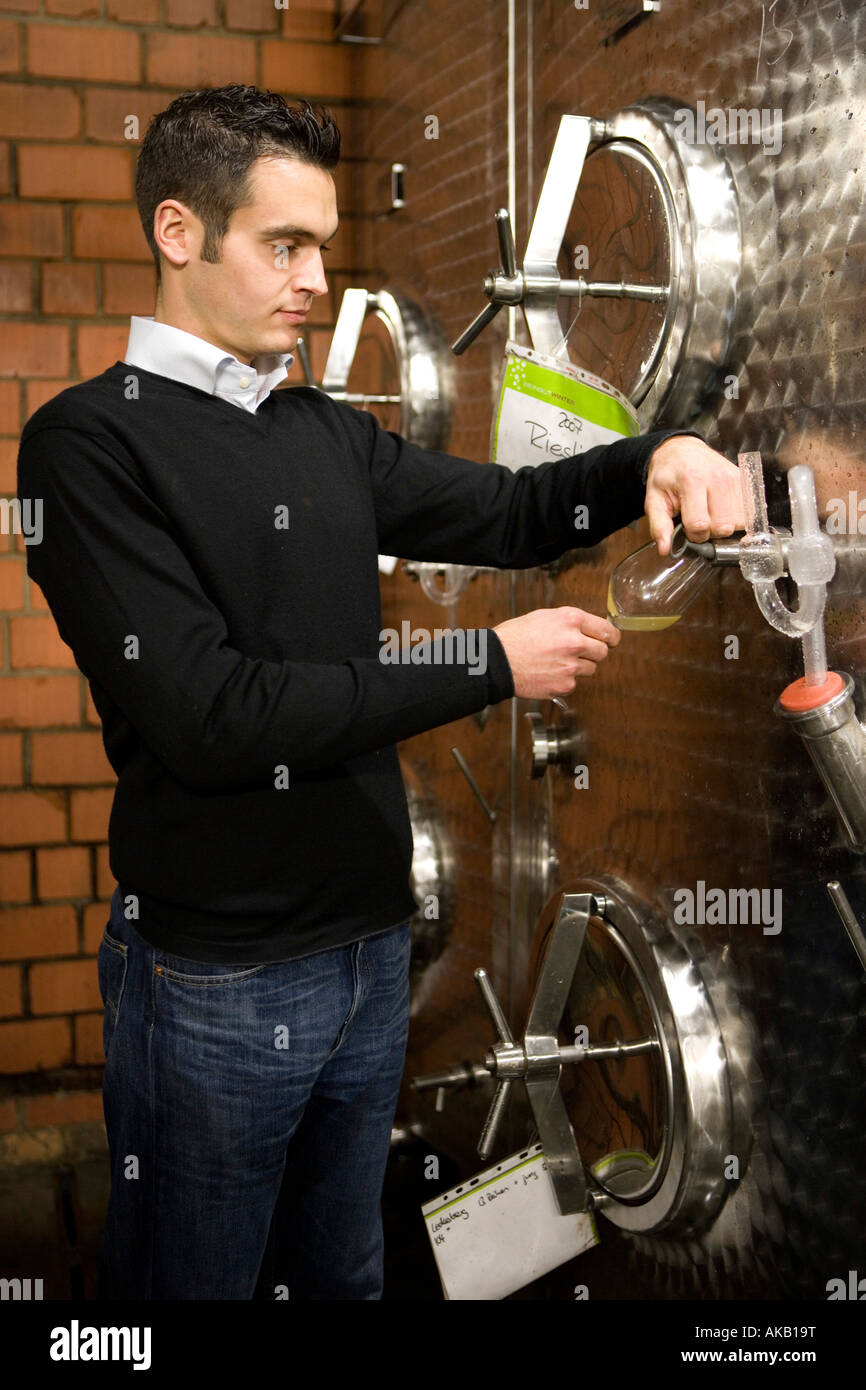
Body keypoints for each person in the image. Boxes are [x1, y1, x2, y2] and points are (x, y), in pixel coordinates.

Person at [16, 85, 744, 1301]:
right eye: (283, 245)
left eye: (323, 245)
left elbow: (511, 513)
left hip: (366, 952)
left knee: (342, 1279)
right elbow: (209, 716)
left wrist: (655, 456)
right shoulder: (90, 444)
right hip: (220, 979)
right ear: (179, 233)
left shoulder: (319, 429)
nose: (313, 277)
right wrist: (488, 665)